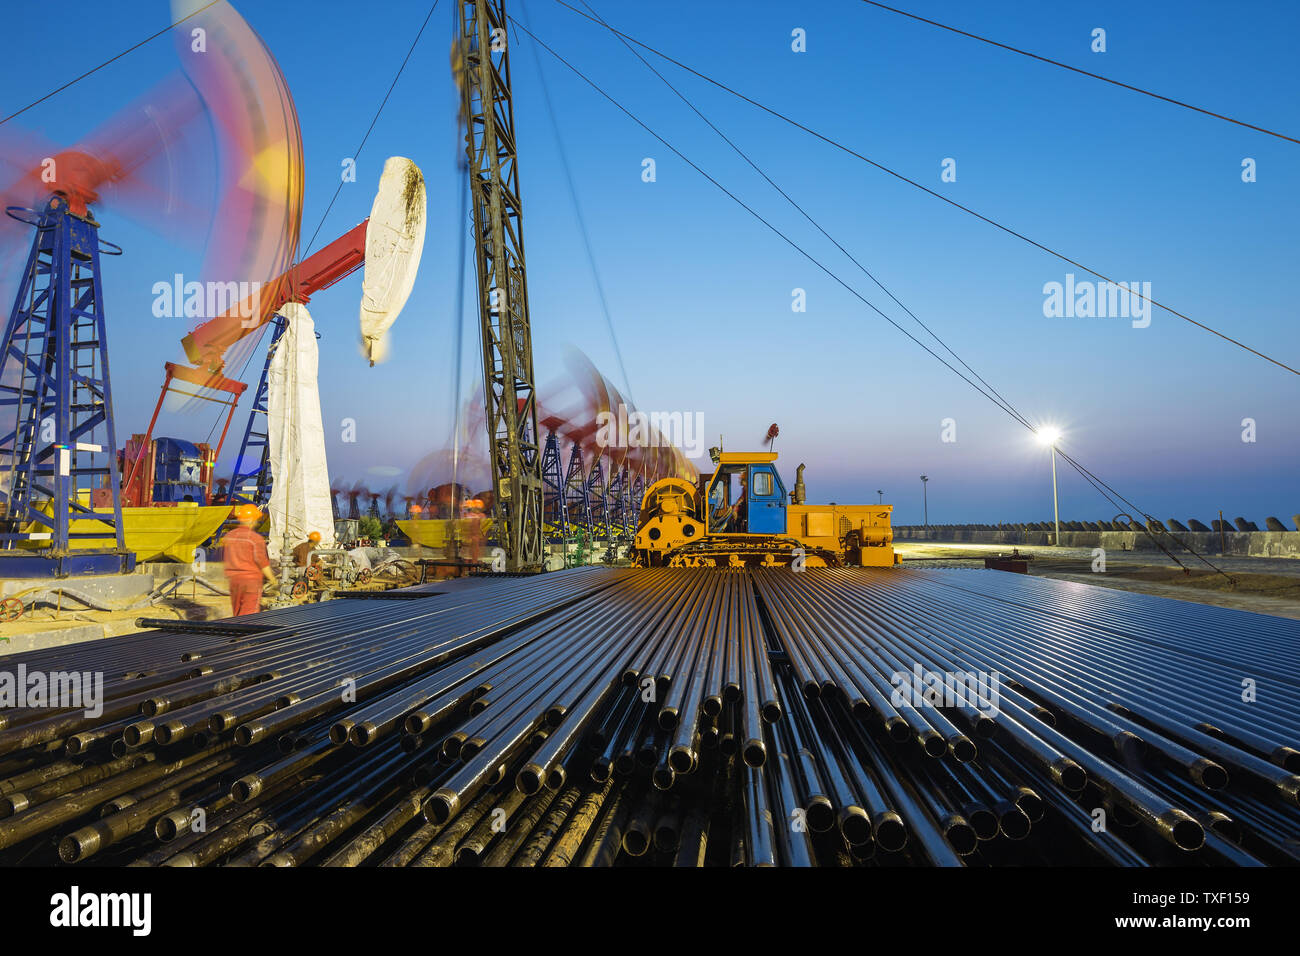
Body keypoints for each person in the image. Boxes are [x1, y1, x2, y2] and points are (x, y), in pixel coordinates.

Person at [223, 504, 276, 616]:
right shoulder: (255, 539)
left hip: (234, 581)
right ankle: (247, 633)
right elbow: (262, 562)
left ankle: (236, 632)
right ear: (252, 520)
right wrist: (272, 579)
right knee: (249, 614)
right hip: (251, 582)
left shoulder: (229, 536)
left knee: (237, 613)